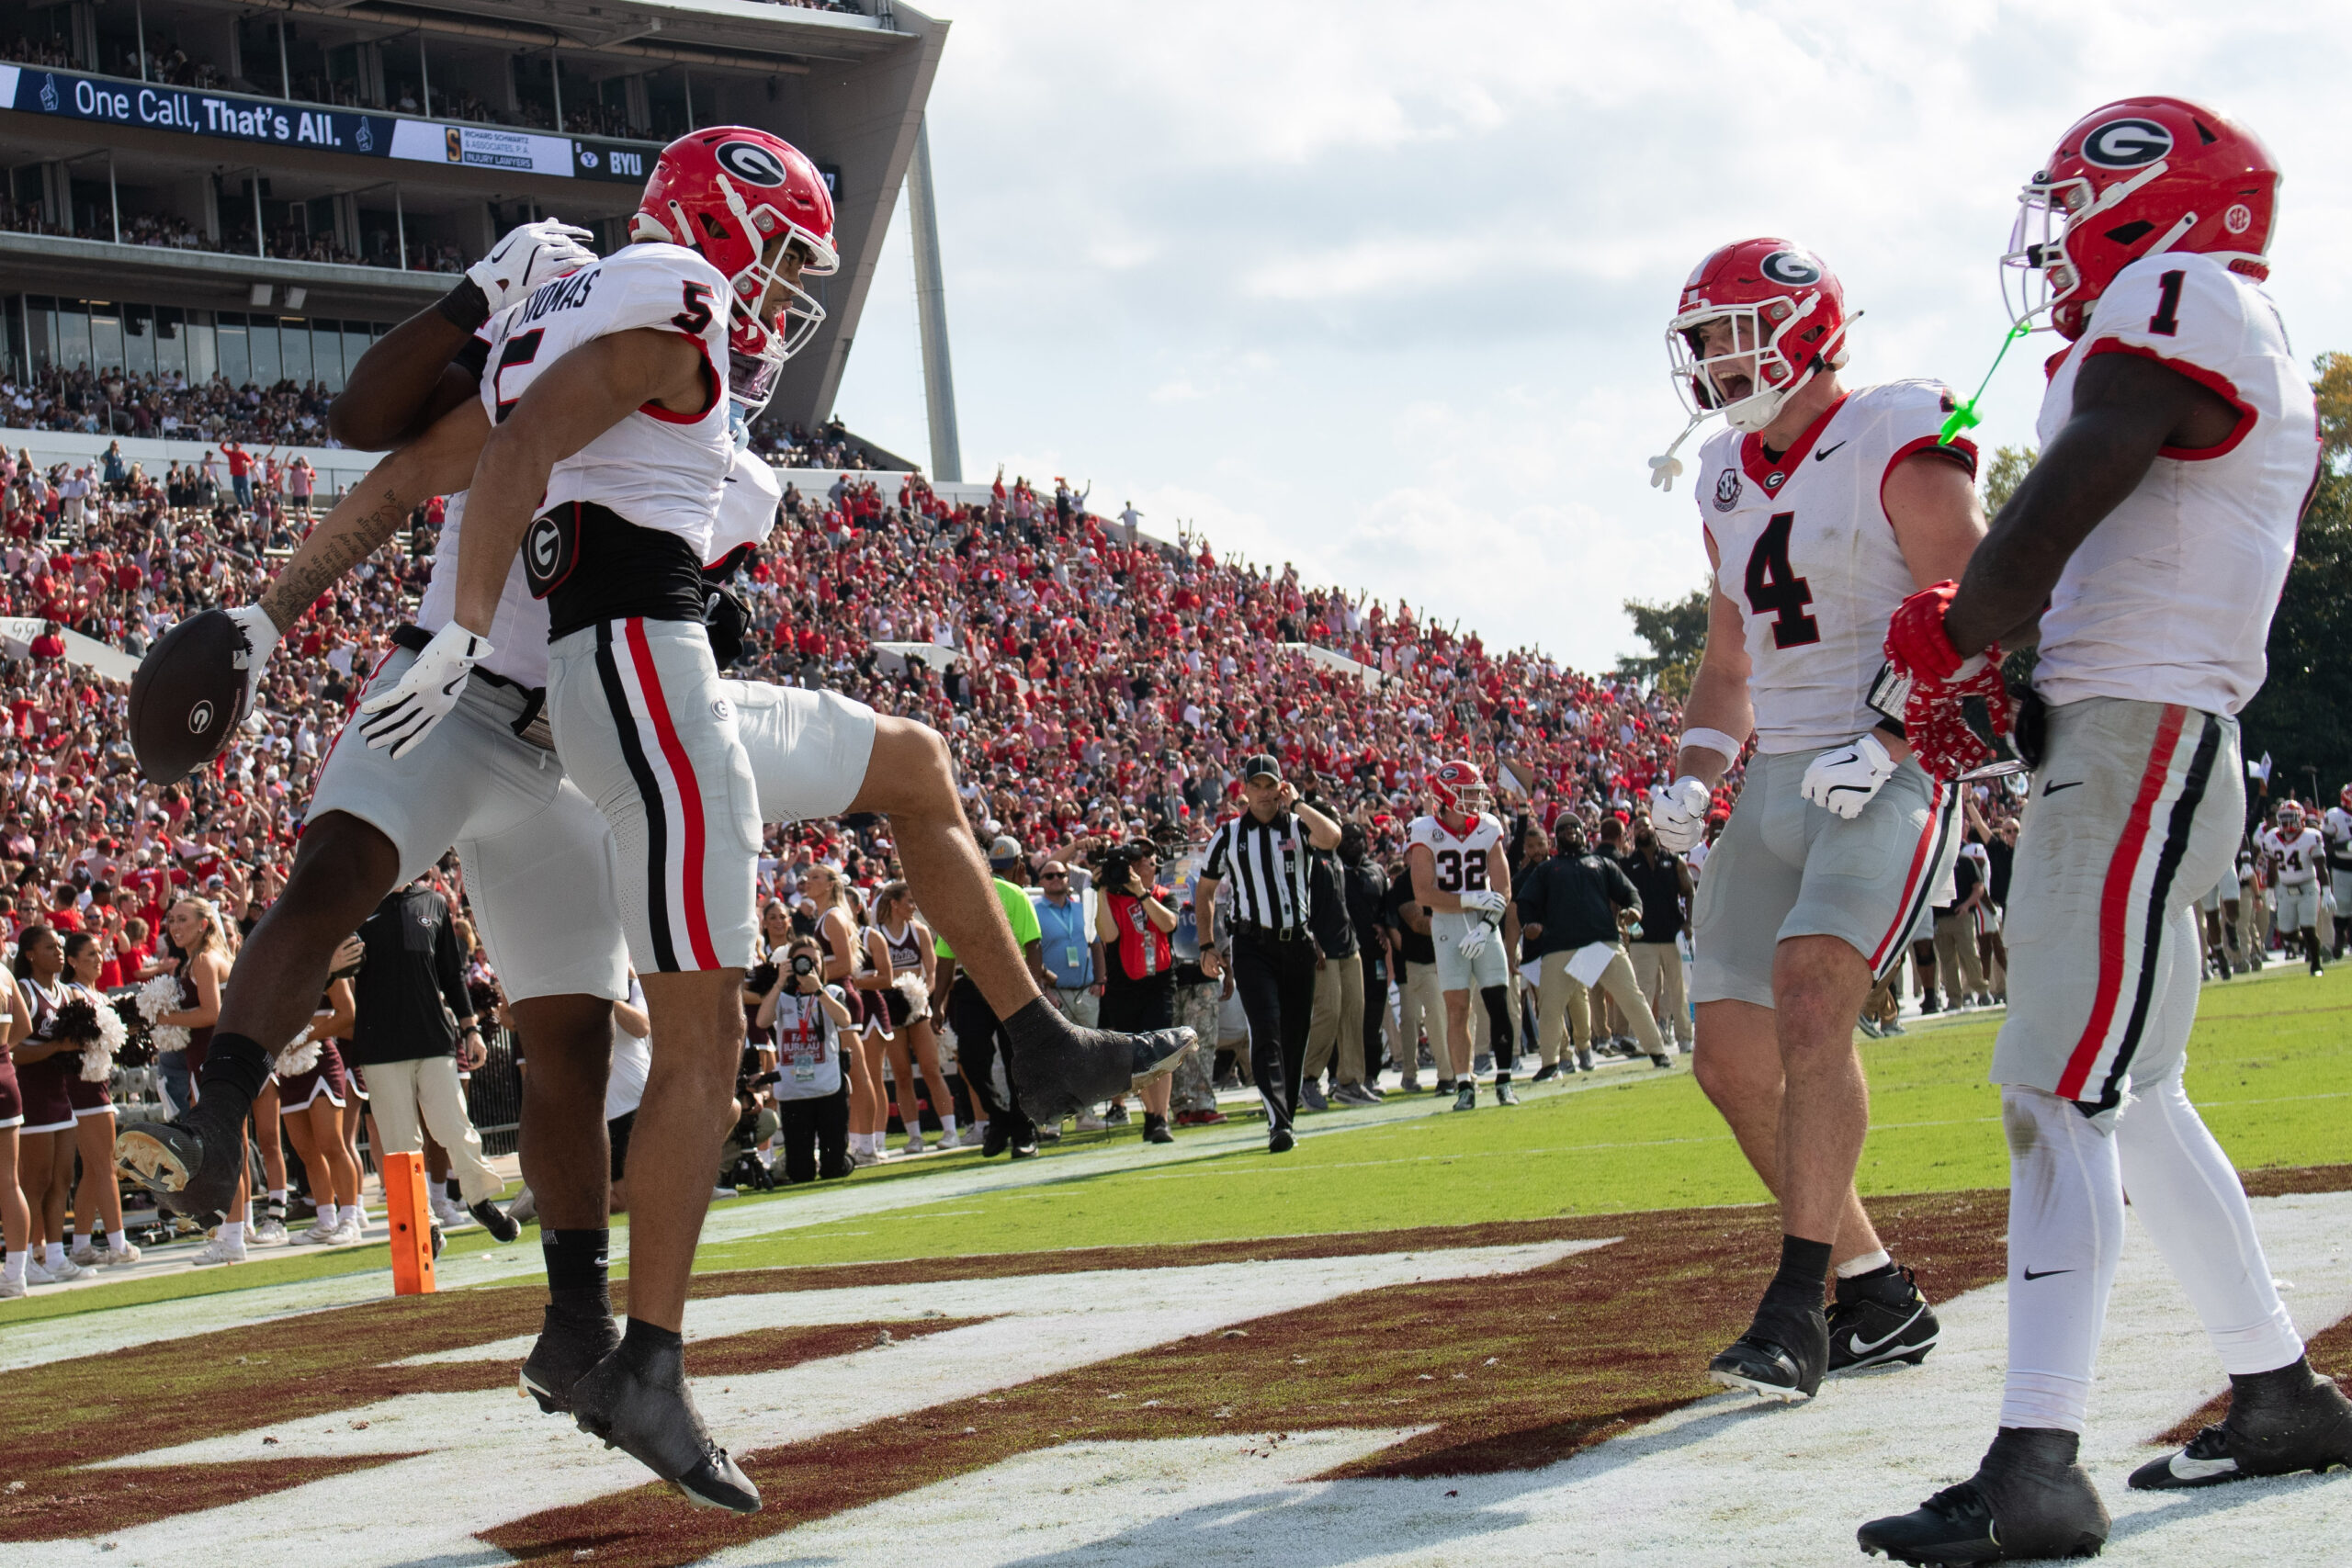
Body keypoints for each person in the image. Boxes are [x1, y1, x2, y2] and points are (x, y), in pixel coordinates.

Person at [1861, 96, 2352, 1562]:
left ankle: (2037, 1461)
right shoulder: (2187, 313)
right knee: (2130, 1092)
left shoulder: (2185, 295)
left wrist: (1965, 635)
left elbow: (2090, 476)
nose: (2058, 235)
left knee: (2057, 1092)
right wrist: (2009, 667)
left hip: (2145, 735)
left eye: (2075, 200)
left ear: (2154, 202)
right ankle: (2277, 1391)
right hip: (2131, 728)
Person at [1645, 237, 1971, 1404]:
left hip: (1892, 764)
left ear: (1809, 323)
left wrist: (1886, 734)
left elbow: (1976, 606)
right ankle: (1876, 1291)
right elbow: (1729, 661)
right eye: (1704, 342)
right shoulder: (1721, 477)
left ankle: (1798, 1307)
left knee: (1810, 991)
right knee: (1730, 1063)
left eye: (1736, 333)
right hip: (1777, 775)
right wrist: (1692, 774)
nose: (1718, 362)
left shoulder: (1896, 426)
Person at [345, 879, 521, 1244]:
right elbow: (323, 969)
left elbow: (452, 973)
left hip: (434, 1037)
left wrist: (471, 1029)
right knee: (400, 1141)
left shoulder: (435, 903)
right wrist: (332, 964)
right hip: (380, 1045)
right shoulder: (356, 900)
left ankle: (479, 1199)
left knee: (456, 1127)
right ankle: (421, 1221)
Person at [1193, 754, 1342, 1153]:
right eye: (1255, 785)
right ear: (1244, 790)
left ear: (1281, 787)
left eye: (1269, 785)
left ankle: (1285, 1115)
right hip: (1252, 944)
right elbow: (1205, 892)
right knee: (1267, 1030)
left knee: (1295, 1035)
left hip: (1297, 943)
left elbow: (1331, 838)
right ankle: (1278, 1120)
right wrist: (1208, 945)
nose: (1263, 793)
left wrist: (1298, 804)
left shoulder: (1298, 824)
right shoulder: (1228, 834)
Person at [1407, 760, 1520, 1110]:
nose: (1476, 800)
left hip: (1485, 923)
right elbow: (1423, 893)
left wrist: (1487, 925)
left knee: (1498, 1003)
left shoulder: (1488, 827)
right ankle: (1463, 1085)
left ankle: (1504, 1081)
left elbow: (1503, 889)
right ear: (1446, 796)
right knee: (1456, 1008)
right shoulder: (1425, 830)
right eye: (1467, 793)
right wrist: (1471, 899)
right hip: (1446, 925)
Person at [1515, 813, 1664, 1075]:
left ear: (1584, 832)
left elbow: (1629, 893)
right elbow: (1525, 902)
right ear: (1556, 838)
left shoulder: (1601, 863)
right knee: (1550, 1008)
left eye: (1574, 827)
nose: (1570, 832)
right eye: (1563, 829)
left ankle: (1657, 1051)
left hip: (1602, 943)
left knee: (1632, 997)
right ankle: (1549, 1063)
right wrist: (1530, 924)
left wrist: (1634, 911)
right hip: (1560, 946)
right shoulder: (1547, 870)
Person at [60, 931, 138, 1267]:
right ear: (72, 961)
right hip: (84, 1088)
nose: (97, 959)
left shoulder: (97, 994)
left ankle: (80, 1246)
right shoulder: (74, 996)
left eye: (99, 953)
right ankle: (118, 1245)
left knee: (93, 1170)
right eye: (89, 954)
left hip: (96, 1085)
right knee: (105, 1166)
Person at [1093, 840, 1178, 1144]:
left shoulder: (1163, 896)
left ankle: (1162, 1117)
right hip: (1123, 985)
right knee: (1136, 1056)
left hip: (1159, 982)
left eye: (1146, 862)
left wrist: (1141, 892)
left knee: (1162, 1049)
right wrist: (1101, 890)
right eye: (1135, 862)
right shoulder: (1111, 899)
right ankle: (1151, 1115)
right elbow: (1108, 935)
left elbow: (1168, 924)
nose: (1142, 866)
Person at [283, 937, 366, 1246]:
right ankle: (325, 1219)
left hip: (320, 1058)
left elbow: (348, 1014)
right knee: (306, 1150)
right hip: (288, 1063)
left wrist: (306, 1038)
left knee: (332, 1143)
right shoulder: (275, 969)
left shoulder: (326, 961)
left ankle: (349, 1218)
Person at [757, 937, 854, 1182]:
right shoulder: (781, 996)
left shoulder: (832, 992)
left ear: (822, 963)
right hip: (794, 1090)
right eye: (803, 961)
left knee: (833, 1169)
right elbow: (762, 1021)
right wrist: (780, 982)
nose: (808, 966)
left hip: (828, 1085)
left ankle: (844, 1157)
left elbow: (845, 1020)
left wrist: (818, 990)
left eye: (814, 961)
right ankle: (791, 1161)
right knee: (800, 1173)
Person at [869, 882, 953, 1153]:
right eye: (909, 902)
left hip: (917, 1010)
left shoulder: (918, 932)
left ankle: (950, 1131)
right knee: (902, 1074)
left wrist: (920, 995)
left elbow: (932, 972)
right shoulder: (877, 935)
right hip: (890, 1011)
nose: (914, 907)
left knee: (931, 1068)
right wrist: (894, 996)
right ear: (894, 904)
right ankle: (914, 1137)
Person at [1301, 812, 1374, 1107]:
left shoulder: (1334, 855)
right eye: (1328, 819)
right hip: (1323, 947)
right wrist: (1312, 940)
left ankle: (1351, 1080)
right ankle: (1305, 1079)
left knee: (1354, 1013)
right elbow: (1299, 903)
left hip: (1347, 944)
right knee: (1328, 1013)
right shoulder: (1305, 854)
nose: (1334, 825)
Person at [1618, 811, 1694, 1055]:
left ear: (1654, 830)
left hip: (1672, 934)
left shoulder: (1673, 861)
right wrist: (1630, 929)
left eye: (1645, 826)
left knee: (1677, 989)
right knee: (1642, 990)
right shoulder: (1628, 865)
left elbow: (1689, 891)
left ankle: (1684, 1038)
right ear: (1632, 834)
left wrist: (1688, 923)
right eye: (1637, 828)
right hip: (1643, 938)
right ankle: (1638, 1037)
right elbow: (1620, 902)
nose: (1641, 830)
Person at [2257, 800, 2325, 976]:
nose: (2287, 823)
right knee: (2287, 934)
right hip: (2285, 888)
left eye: (2291, 818)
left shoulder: (2311, 836)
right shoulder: (2272, 837)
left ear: (2301, 818)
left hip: (2308, 885)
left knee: (2308, 928)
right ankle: (2307, 945)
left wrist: (2327, 890)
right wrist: (2271, 890)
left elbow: (2320, 866)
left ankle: (2316, 965)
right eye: (2284, 818)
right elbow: (2272, 866)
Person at [0, 962, 32, 1298]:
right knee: (9, 1182)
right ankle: (15, 1274)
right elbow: (24, 1026)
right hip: (6, 1077)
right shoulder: (5, 973)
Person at [2324, 785, 2352, 960]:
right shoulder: (2336, 815)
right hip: (2341, 868)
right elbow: (2326, 843)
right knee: (2341, 912)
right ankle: (2338, 946)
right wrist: (2343, 847)